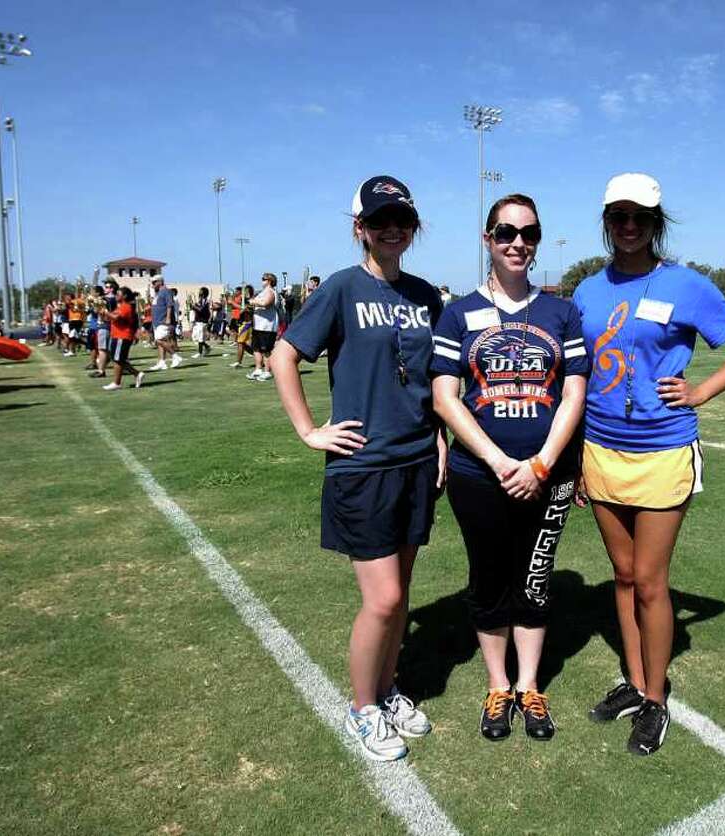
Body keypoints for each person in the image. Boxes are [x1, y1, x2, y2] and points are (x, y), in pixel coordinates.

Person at [572, 173, 725, 755]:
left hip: (662, 450)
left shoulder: (686, 284)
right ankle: (633, 682)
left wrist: (701, 392)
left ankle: (656, 700)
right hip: (601, 448)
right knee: (623, 577)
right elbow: (577, 371)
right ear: (607, 221)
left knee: (652, 583)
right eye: (619, 216)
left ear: (656, 222)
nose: (628, 226)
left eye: (640, 217)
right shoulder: (587, 288)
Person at [270, 175, 445, 762]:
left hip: (419, 461)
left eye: (401, 219)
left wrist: (441, 439)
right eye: (379, 220)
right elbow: (284, 355)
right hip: (363, 467)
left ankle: (388, 687)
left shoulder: (426, 295)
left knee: (405, 589)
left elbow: (434, 380)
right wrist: (308, 429)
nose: (391, 228)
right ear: (359, 228)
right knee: (385, 598)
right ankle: (362, 708)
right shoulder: (342, 288)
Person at [431, 194, 589, 741]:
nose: (517, 243)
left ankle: (529, 687)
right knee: (490, 578)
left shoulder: (561, 311)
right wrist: (500, 462)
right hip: (481, 477)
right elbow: (446, 397)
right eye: (505, 232)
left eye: (528, 233)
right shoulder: (458, 312)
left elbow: (574, 394)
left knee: (536, 581)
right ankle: (498, 687)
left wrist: (542, 464)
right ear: (487, 240)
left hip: (549, 475)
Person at [101, 287, 144, 390]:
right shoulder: (119, 307)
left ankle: (117, 383)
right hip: (117, 335)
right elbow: (109, 318)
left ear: (124, 296)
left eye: (118, 294)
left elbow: (116, 317)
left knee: (118, 359)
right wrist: (101, 313)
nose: (116, 296)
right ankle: (137, 374)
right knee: (117, 359)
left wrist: (106, 312)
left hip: (122, 336)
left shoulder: (126, 307)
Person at [247, 273, 278, 381]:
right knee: (256, 348)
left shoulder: (270, 292)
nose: (262, 281)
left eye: (264, 279)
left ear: (269, 281)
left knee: (266, 350)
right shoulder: (262, 292)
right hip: (258, 326)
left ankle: (267, 371)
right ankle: (258, 369)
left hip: (267, 326)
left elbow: (266, 303)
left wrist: (253, 301)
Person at [148, 277, 183, 370]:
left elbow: (169, 305)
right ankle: (162, 362)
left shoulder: (166, 291)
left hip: (163, 320)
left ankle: (175, 356)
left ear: (160, 282)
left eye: (154, 282)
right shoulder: (158, 293)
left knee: (160, 340)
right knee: (159, 342)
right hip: (157, 321)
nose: (153, 284)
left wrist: (167, 318)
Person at [229, 284, 253, 368]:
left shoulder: (250, 301)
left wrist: (233, 303)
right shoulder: (244, 301)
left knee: (240, 343)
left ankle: (238, 362)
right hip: (242, 324)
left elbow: (245, 310)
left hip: (247, 324)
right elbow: (237, 312)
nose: (243, 294)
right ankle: (257, 355)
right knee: (243, 345)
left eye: (245, 292)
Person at [190, 287, 212, 358]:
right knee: (195, 337)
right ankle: (207, 347)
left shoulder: (206, 301)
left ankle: (200, 352)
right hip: (198, 321)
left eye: (200, 291)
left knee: (200, 337)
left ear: (204, 293)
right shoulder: (200, 300)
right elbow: (196, 309)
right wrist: (191, 305)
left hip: (202, 321)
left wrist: (194, 306)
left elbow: (201, 310)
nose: (199, 292)